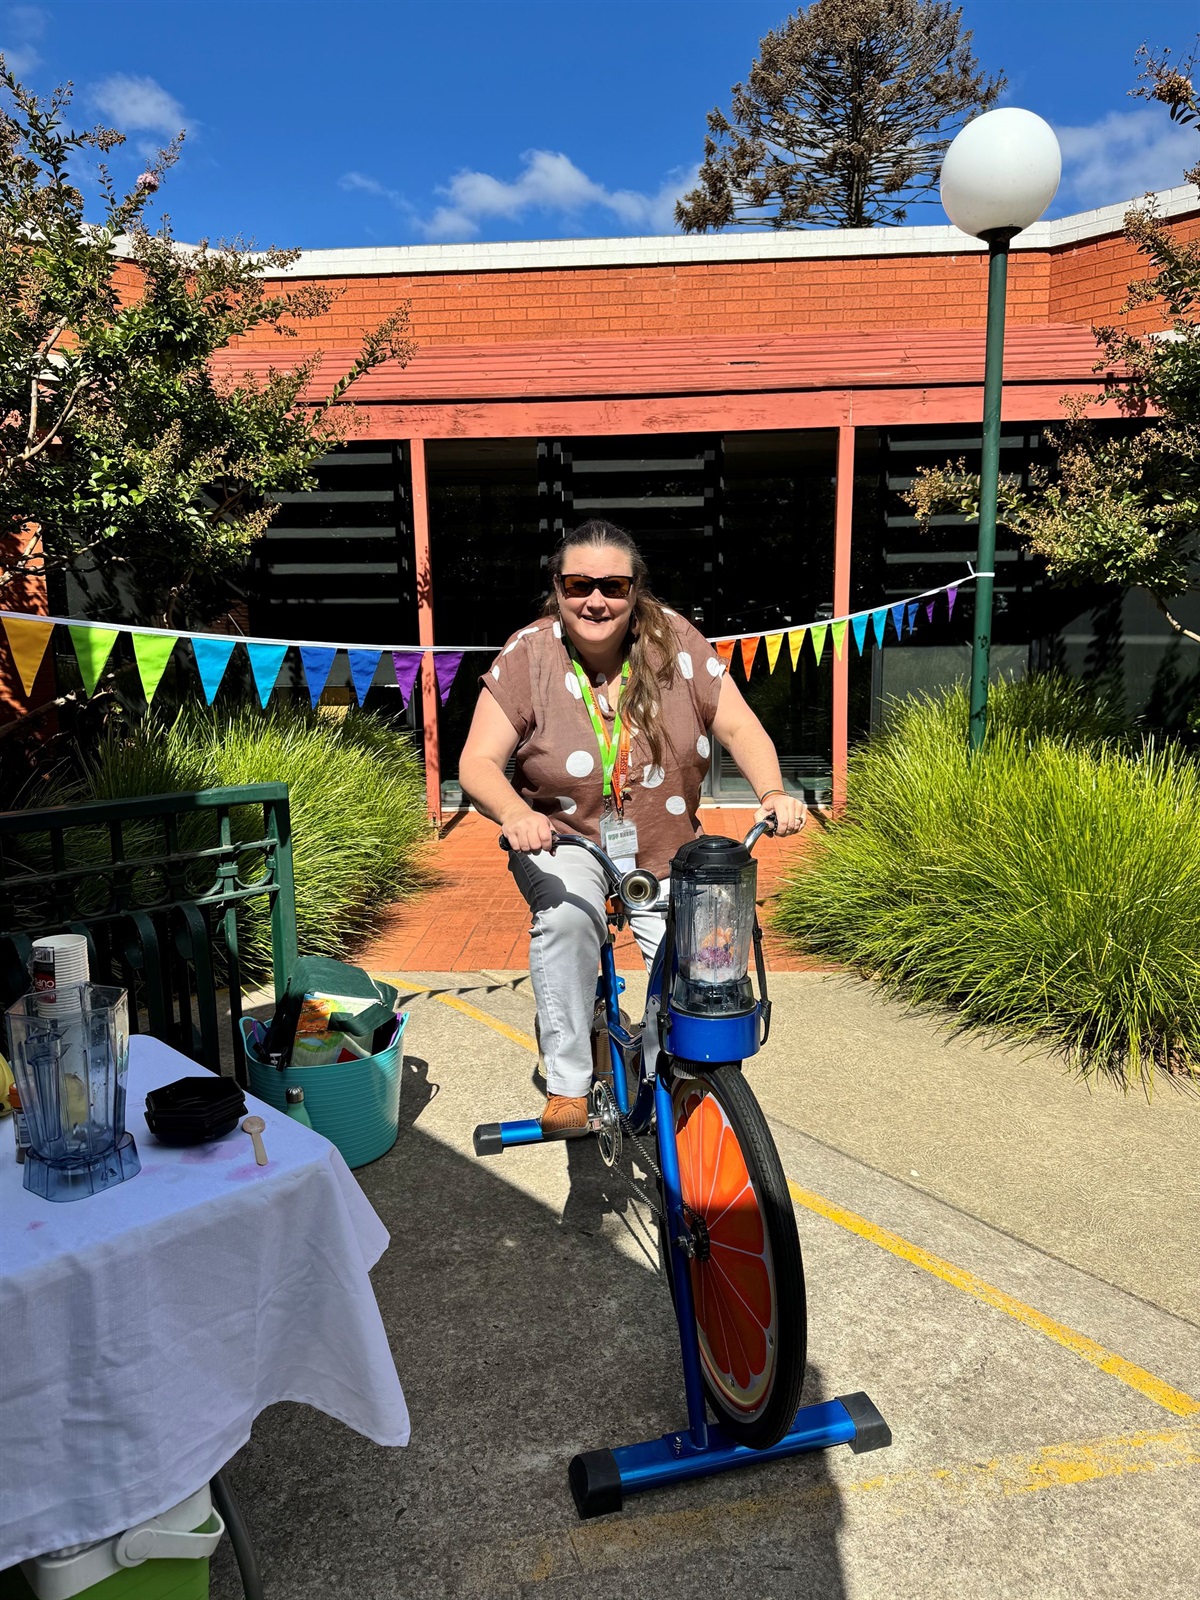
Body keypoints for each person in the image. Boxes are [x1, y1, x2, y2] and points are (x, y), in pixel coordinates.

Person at [458, 519, 805, 1132]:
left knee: (698, 959)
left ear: (635, 590)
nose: (595, 600)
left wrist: (773, 791)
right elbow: (477, 762)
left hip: (666, 847)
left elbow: (740, 728)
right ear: (557, 590)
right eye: (577, 584)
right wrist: (515, 813)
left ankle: (676, 1071)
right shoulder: (529, 653)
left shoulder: (675, 644)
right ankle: (567, 1081)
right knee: (567, 921)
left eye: (613, 586)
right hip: (563, 840)